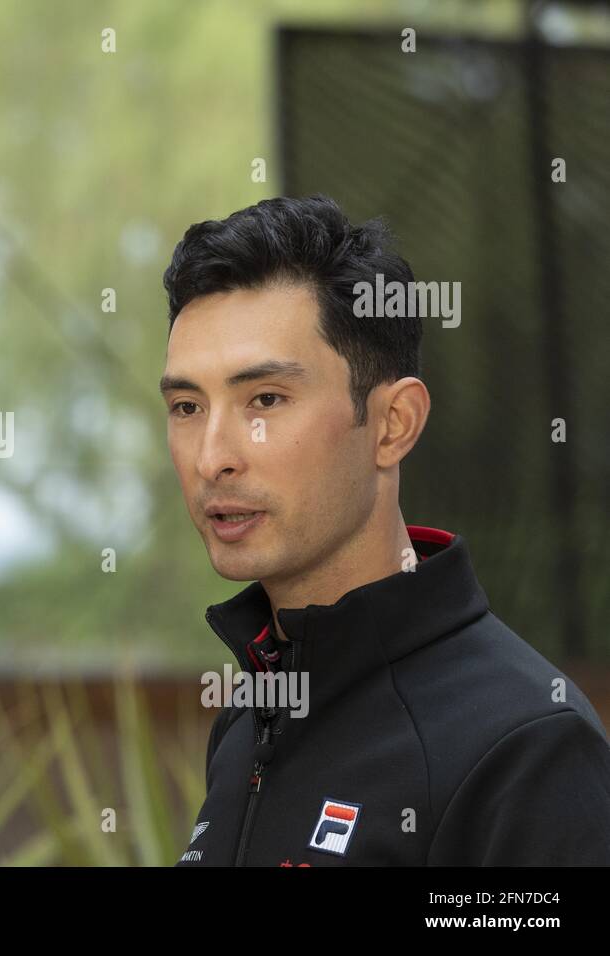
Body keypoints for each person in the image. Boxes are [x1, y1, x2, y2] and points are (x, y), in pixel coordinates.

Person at [160, 195, 610, 865]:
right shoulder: (249, 715)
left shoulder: (527, 746)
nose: (212, 456)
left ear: (394, 424)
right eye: (188, 406)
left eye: (265, 399)